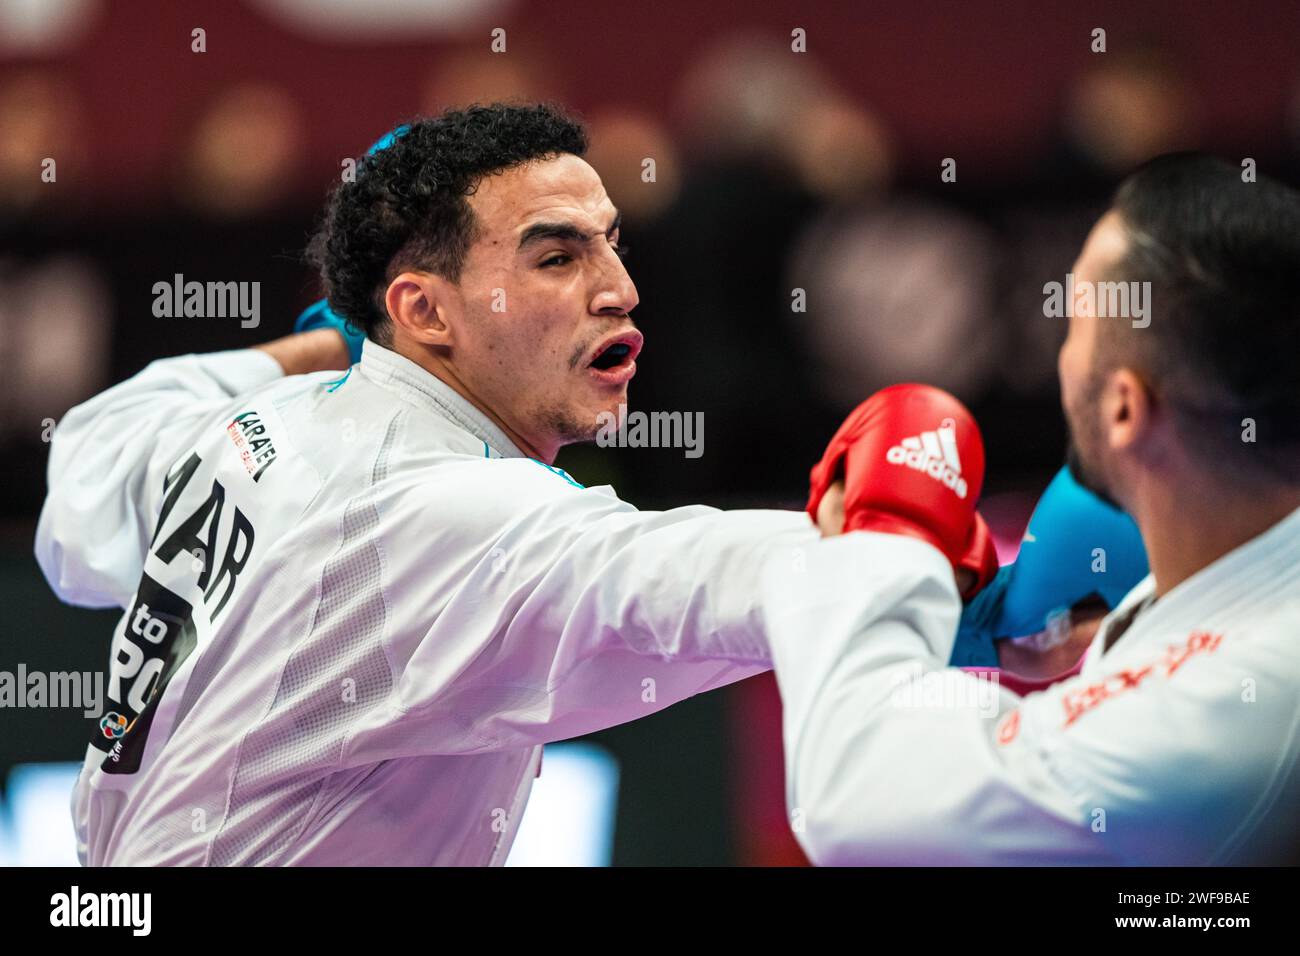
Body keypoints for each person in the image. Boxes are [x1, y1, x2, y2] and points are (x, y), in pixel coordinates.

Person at [36, 103, 853, 865]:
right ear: (425, 312)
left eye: (612, 244)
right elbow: (680, 575)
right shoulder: (440, 510)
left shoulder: (260, 422)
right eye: (558, 257)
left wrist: (317, 349)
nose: (620, 291)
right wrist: (902, 550)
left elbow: (92, 451)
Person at [764, 153, 1300, 865]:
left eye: (1074, 321)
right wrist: (1127, 630)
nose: (1061, 356)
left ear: (1122, 408)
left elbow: (852, 804)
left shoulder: (1236, 701)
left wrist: (873, 553)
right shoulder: (1222, 578)